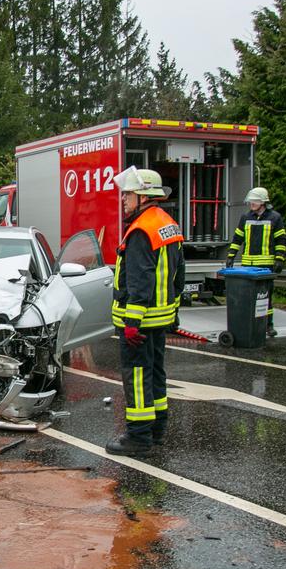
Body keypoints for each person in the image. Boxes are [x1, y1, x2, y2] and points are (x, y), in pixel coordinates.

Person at [106, 167, 185, 456]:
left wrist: (131, 323)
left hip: (140, 323)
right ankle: (157, 429)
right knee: (155, 373)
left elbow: (140, 280)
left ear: (142, 196)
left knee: (138, 375)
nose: (123, 199)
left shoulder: (140, 230)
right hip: (160, 318)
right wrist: (174, 313)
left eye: (127, 194)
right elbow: (178, 276)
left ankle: (138, 437)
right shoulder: (167, 224)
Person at [225, 187, 286, 337]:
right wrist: (231, 255)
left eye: (255, 201)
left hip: (266, 266)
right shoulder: (245, 217)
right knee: (249, 296)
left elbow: (281, 240)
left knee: (265, 297)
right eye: (251, 201)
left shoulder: (275, 218)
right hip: (248, 265)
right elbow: (238, 238)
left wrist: (279, 259)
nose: (252, 204)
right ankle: (250, 323)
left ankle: (268, 325)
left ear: (263, 202)